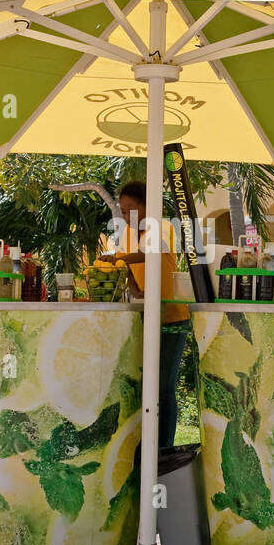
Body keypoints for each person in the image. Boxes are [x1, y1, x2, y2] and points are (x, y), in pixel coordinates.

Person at [101, 180, 190, 451]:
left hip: (172, 319)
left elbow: (148, 253)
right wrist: (125, 275)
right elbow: (138, 289)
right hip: (147, 319)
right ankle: (146, 446)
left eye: (131, 210)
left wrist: (118, 259)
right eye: (123, 211)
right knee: (145, 388)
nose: (126, 217)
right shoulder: (129, 237)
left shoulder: (162, 227)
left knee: (164, 388)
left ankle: (164, 450)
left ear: (147, 207)